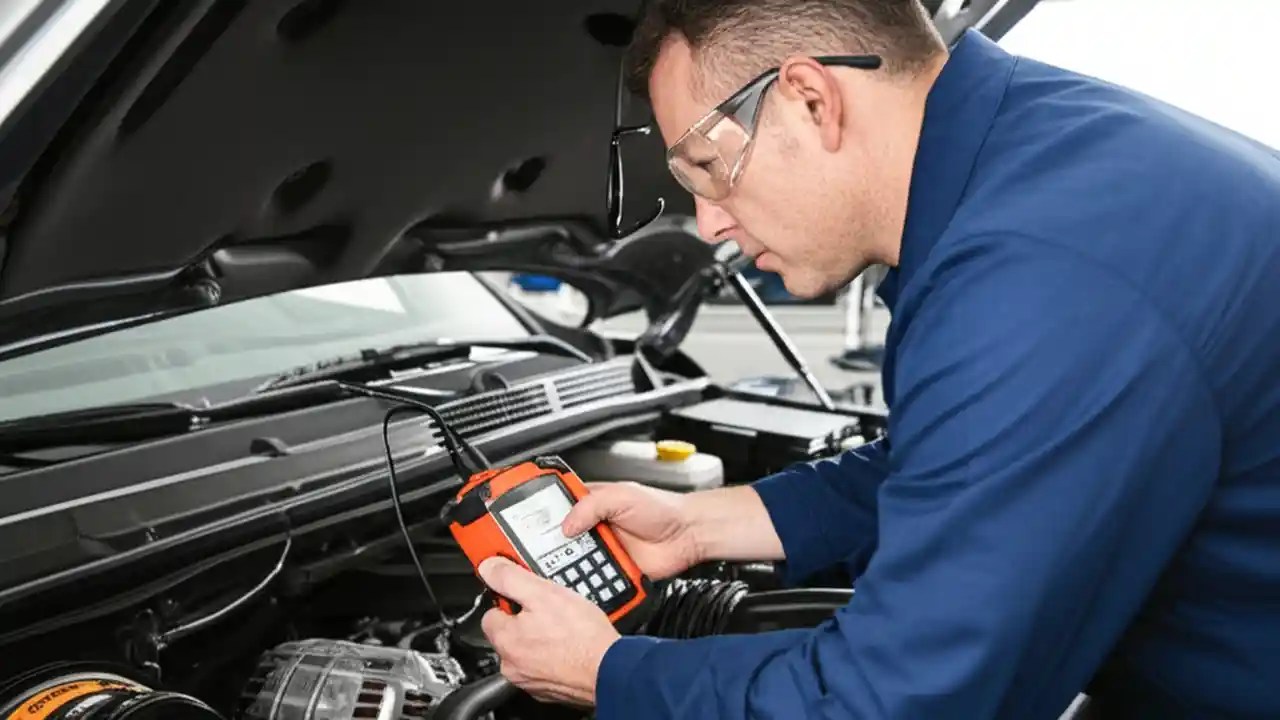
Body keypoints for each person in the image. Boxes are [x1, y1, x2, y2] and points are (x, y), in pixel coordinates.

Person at [476, 0, 1280, 717]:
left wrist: (607, 673)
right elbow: (970, 468)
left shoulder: (1038, 275)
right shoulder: (1039, 160)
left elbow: (900, 702)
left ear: (811, 99)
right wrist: (698, 524)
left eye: (708, 167)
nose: (708, 222)